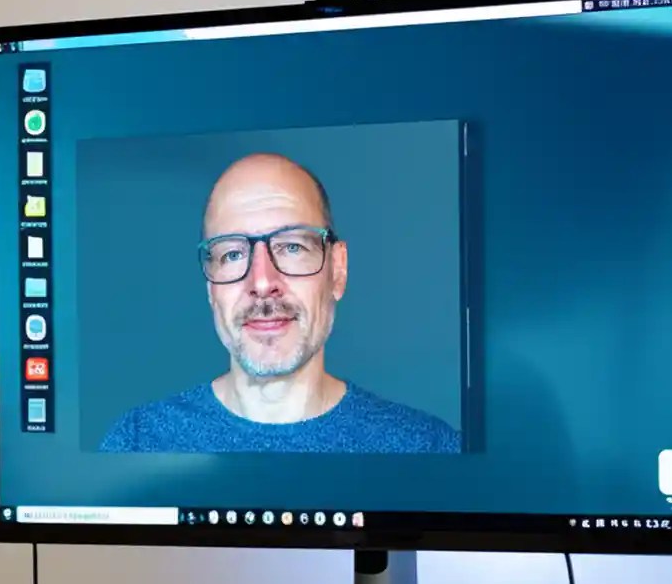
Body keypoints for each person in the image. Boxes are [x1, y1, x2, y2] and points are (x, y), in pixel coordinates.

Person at [98, 152, 461, 453]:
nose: (262, 282)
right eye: (233, 255)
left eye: (292, 247)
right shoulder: (138, 442)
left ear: (337, 270)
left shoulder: (427, 449)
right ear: (210, 288)